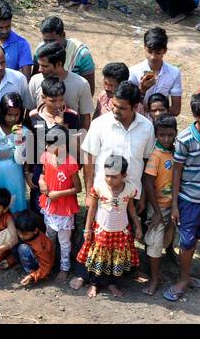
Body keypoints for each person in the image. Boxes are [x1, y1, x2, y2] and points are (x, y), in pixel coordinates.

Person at [165, 92, 200, 302]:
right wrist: (175, 204)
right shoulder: (185, 139)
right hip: (189, 200)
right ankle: (183, 279)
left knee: (196, 238)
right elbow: (176, 171)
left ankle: (187, 275)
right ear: (197, 116)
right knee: (186, 242)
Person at [74, 156, 141, 297]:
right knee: (98, 258)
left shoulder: (129, 189)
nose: (109, 180)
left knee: (116, 260)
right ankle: (94, 284)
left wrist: (137, 225)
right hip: (102, 230)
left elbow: (131, 209)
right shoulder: (98, 187)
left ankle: (112, 284)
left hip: (121, 231)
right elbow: (92, 209)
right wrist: (87, 229)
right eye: (107, 175)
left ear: (124, 175)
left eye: (114, 177)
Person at [82, 81, 155, 205]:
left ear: (135, 107)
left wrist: (142, 196)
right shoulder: (99, 124)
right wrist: (89, 194)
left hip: (133, 197)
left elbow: (147, 161)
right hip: (102, 196)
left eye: (122, 108)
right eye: (114, 105)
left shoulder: (147, 127)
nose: (115, 110)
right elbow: (89, 160)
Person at [36, 117, 81, 279]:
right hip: (49, 205)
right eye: (47, 144)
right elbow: (42, 174)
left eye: (51, 144)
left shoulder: (70, 163)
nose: (47, 147)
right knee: (50, 236)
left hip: (64, 208)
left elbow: (78, 188)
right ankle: (49, 263)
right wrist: (41, 182)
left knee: (64, 240)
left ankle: (64, 268)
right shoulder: (46, 157)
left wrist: (58, 194)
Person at [140, 114, 177, 297]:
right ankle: (153, 278)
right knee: (154, 243)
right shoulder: (155, 155)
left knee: (167, 240)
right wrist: (156, 211)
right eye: (162, 135)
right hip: (158, 207)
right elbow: (148, 182)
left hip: (173, 205)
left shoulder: (176, 152)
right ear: (156, 135)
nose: (166, 139)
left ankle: (159, 271)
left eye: (170, 135)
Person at [27, 41, 94, 128]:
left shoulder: (81, 84)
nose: (40, 69)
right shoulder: (35, 80)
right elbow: (29, 114)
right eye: (39, 65)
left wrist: (81, 140)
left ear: (59, 64)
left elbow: (85, 118)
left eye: (45, 66)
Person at [131, 27, 183, 116]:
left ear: (165, 50)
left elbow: (176, 110)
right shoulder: (134, 72)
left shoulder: (174, 73)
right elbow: (129, 104)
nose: (153, 57)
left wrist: (158, 115)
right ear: (144, 47)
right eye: (150, 51)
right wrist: (142, 90)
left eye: (158, 53)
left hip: (161, 124)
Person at [35, 15, 95, 92]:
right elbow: (37, 77)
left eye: (52, 41)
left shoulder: (82, 55)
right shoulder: (40, 51)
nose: (48, 45)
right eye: (45, 41)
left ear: (63, 35)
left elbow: (89, 90)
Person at [15, 209, 58, 286]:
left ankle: (31, 272)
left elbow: (46, 266)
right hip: (37, 259)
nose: (21, 236)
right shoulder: (31, 234)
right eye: (19, 233)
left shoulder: (40, 245)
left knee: (23, 248)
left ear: (35, 231)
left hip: (43, 265)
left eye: (24, 234)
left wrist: (33, 276)